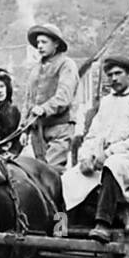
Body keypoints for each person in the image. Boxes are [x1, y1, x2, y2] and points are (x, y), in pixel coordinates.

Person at [72, 55, 129, 242]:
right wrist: (86, 157)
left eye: (118, 73)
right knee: (70, 177)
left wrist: (109, 153)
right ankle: (65, 225)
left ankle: (103, 224)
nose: (114, 78)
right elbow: (93, 135)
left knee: (113, 165)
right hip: (104, 155)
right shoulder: (106, 102)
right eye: (110, 75)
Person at [24, 23, 80, 168]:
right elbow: (28, 101)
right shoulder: (35, 70)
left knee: (52, 171)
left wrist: (44, 108)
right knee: (39, 175)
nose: (40, 46)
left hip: (60, 128)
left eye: (44, 42)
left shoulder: (67, 65)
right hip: (38, 131)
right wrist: (24, 129)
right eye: (38, 43)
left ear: (56, 44)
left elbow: (64, 96)